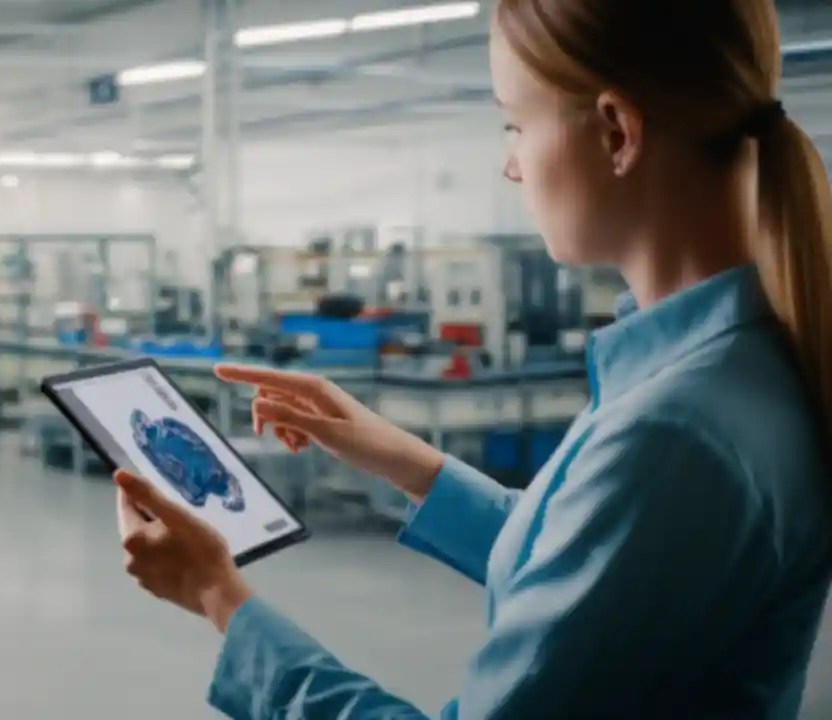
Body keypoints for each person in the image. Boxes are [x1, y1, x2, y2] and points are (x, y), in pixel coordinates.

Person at [112, 1, 832, 717]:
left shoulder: (676, 432)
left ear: (616, 132)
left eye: (516, 123)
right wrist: (405, 461)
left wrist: (220, 597)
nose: (510, 165)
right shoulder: (730, 367)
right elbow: (589, 568)